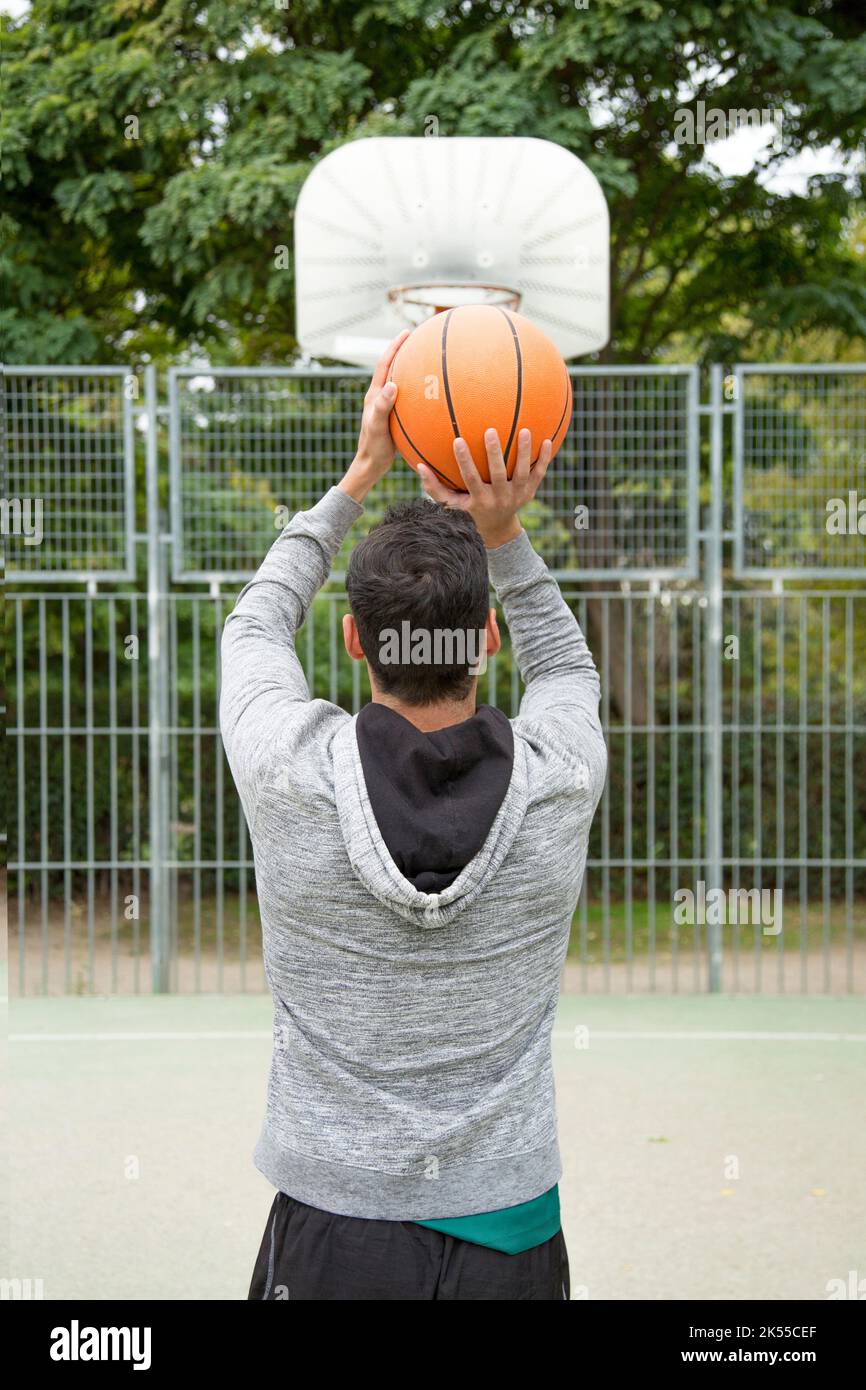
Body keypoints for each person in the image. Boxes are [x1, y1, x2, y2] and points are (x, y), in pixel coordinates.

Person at [219, 333, 607, 1301]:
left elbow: (255, 623)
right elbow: (563, 667)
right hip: (507, 1235)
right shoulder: (558, 775)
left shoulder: (286, 769)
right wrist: (503, 531)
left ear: (352, 639)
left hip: (333, 1232)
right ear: (485, 636)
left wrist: (358, 474)